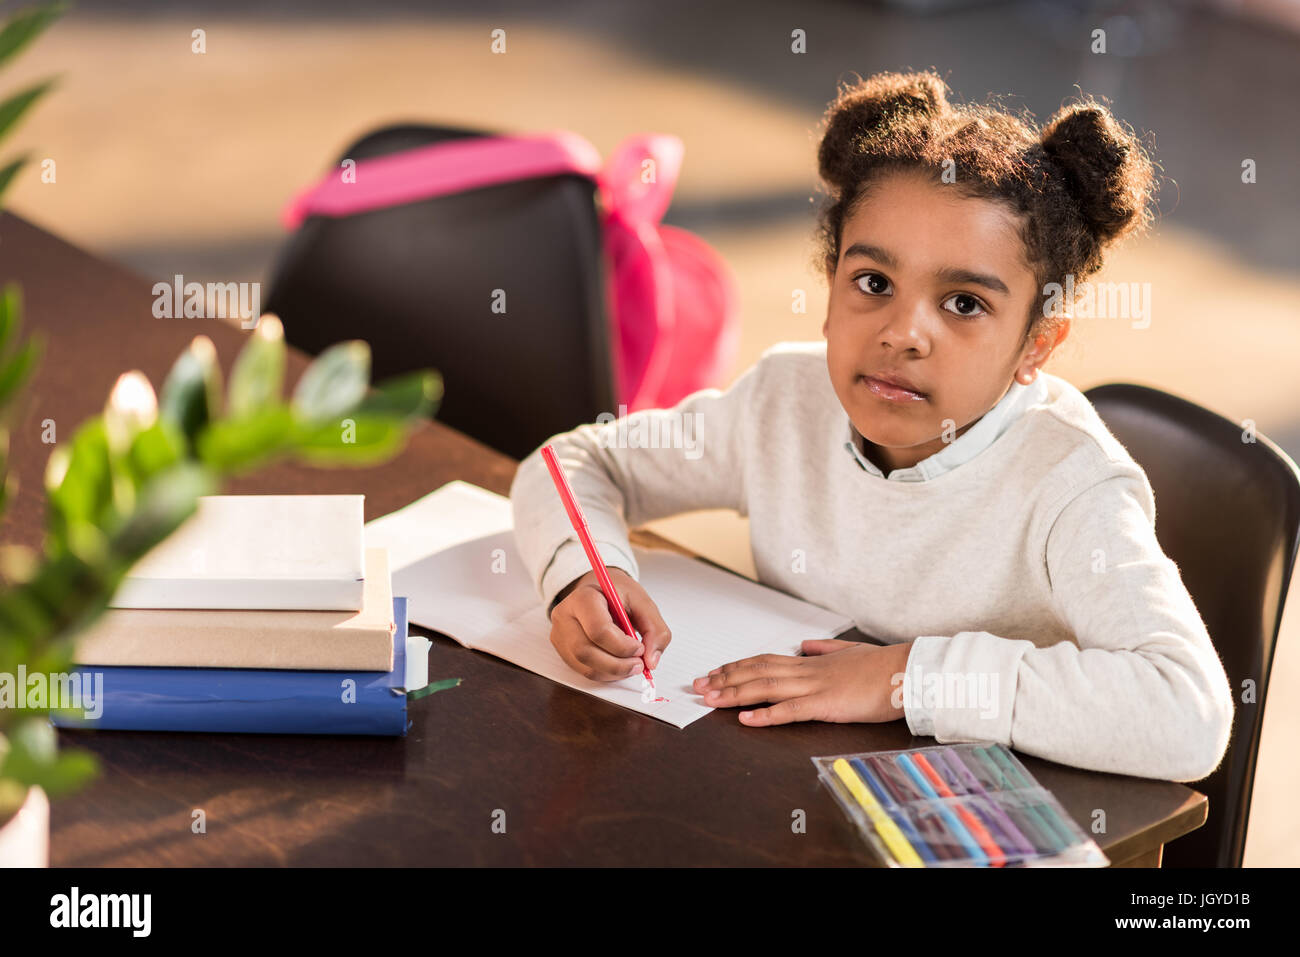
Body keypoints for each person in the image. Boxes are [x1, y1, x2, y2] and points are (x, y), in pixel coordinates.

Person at [509, 70, 1233, 782]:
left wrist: (901, 678)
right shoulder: (785, 401)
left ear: (1037, 344)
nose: (904, 333)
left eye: (964, 304)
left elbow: (1187, 712)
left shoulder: (1069, 483)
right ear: (830, 294)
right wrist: (583, 572)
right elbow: (572, 463)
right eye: (874, 284)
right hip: (792, 789)